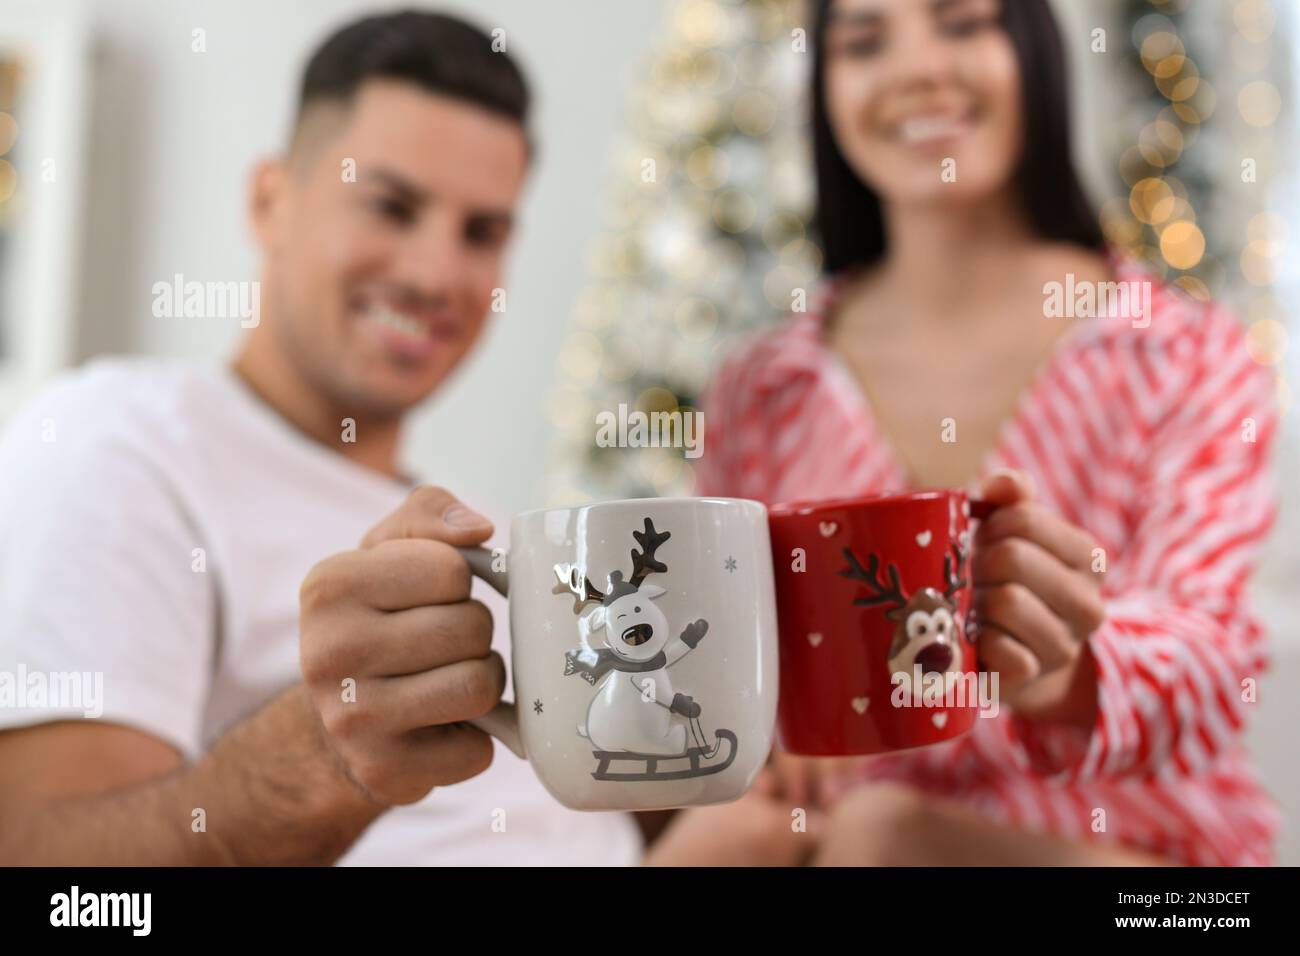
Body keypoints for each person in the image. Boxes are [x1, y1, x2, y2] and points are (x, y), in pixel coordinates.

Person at [0, 10, 651, 866]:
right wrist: (322, 759)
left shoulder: (486, 534)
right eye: (391, 204)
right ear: (270, 200)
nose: (434, 273)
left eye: (481, 232)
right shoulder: (123, 442)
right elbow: (55, 883)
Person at [693, 0, 1280, 865]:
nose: (918, 68)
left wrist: (1067, 671)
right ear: (824, 88)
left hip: (1171, 892)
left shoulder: (1186, 356)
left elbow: (1217, 669)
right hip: (839, 851)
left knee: (884, 835)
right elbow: (732, 659)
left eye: (963, 23)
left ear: (1034, 54)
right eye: (863, 41)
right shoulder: (763, 390)